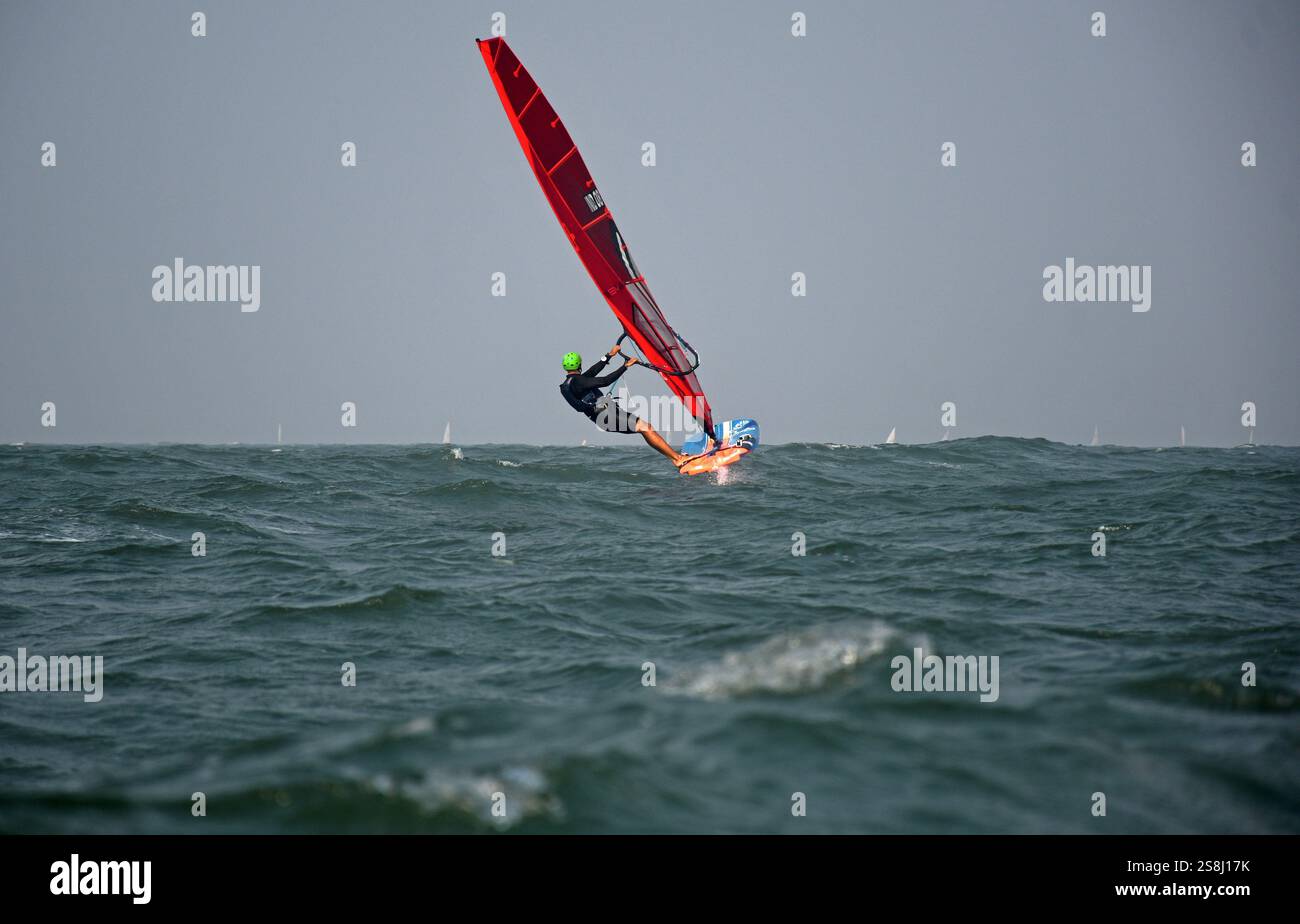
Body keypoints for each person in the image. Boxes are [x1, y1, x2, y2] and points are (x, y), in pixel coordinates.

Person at [560, 344, 688, 465]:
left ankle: (675, 459)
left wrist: (609, 355)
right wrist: (625, 366)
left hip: (602, 418)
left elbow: (593, 371)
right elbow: (605, 381)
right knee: (645, 427)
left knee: (644, 428)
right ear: (579, 364)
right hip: (607, 415)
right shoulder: (581, 381)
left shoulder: (566, 386)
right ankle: (678, 459)